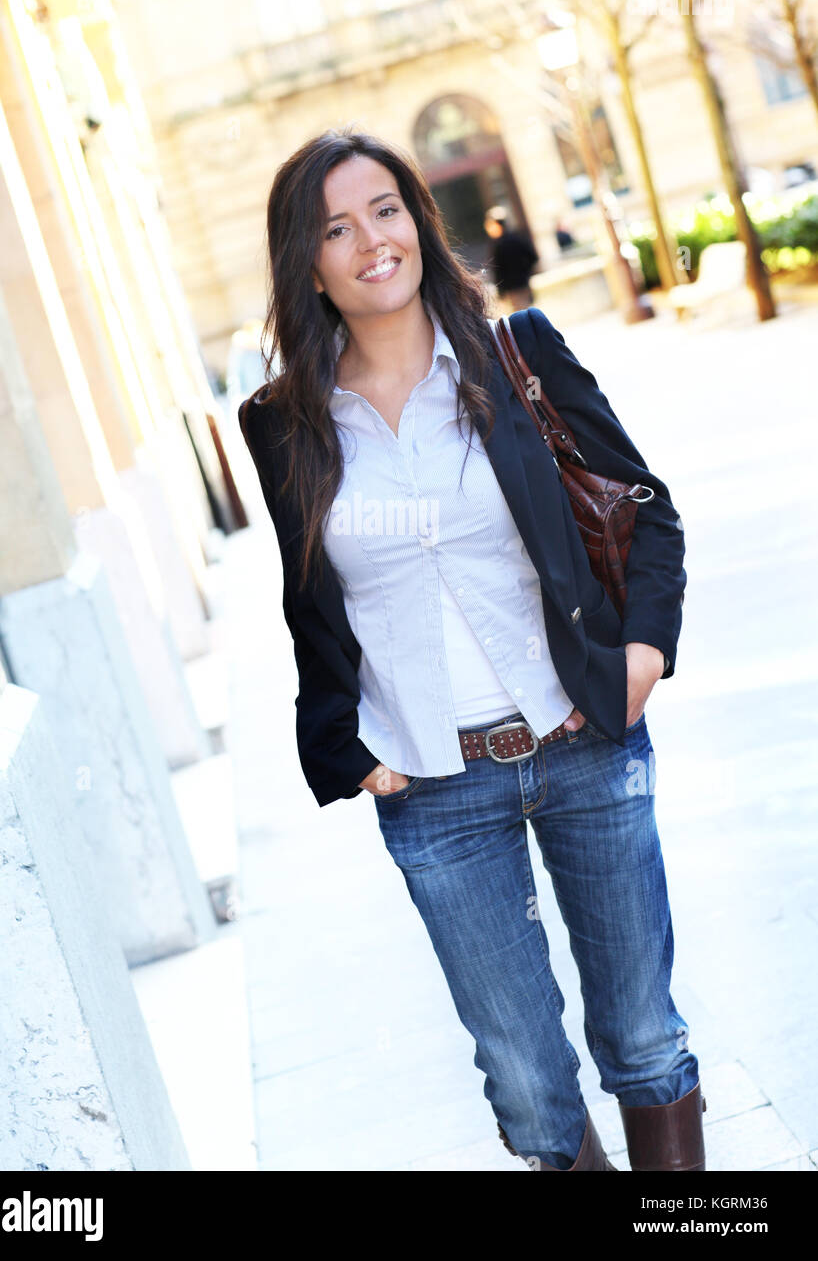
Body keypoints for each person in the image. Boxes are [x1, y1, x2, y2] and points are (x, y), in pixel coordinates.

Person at [238, 128, 706, 1173]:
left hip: (583, 739)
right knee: (530, 1092)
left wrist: (640, 655)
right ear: (303, 261)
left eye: (386, 210)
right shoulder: (283, 426)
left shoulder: (517, 354)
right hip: (433, 786)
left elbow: (647, 512)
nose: (371, 241)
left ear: (418, 220)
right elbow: (308, 606)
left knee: (641, 1038)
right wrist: (342, 748)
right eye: (335, 227)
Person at [483, 205, 539, 312]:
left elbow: (497, 270)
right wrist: (525, 273)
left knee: (521, 317)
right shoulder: (517, 238)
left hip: (513, 290)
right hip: (524, 284)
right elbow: (533, 257)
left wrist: (501, 291)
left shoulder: (498, 244)